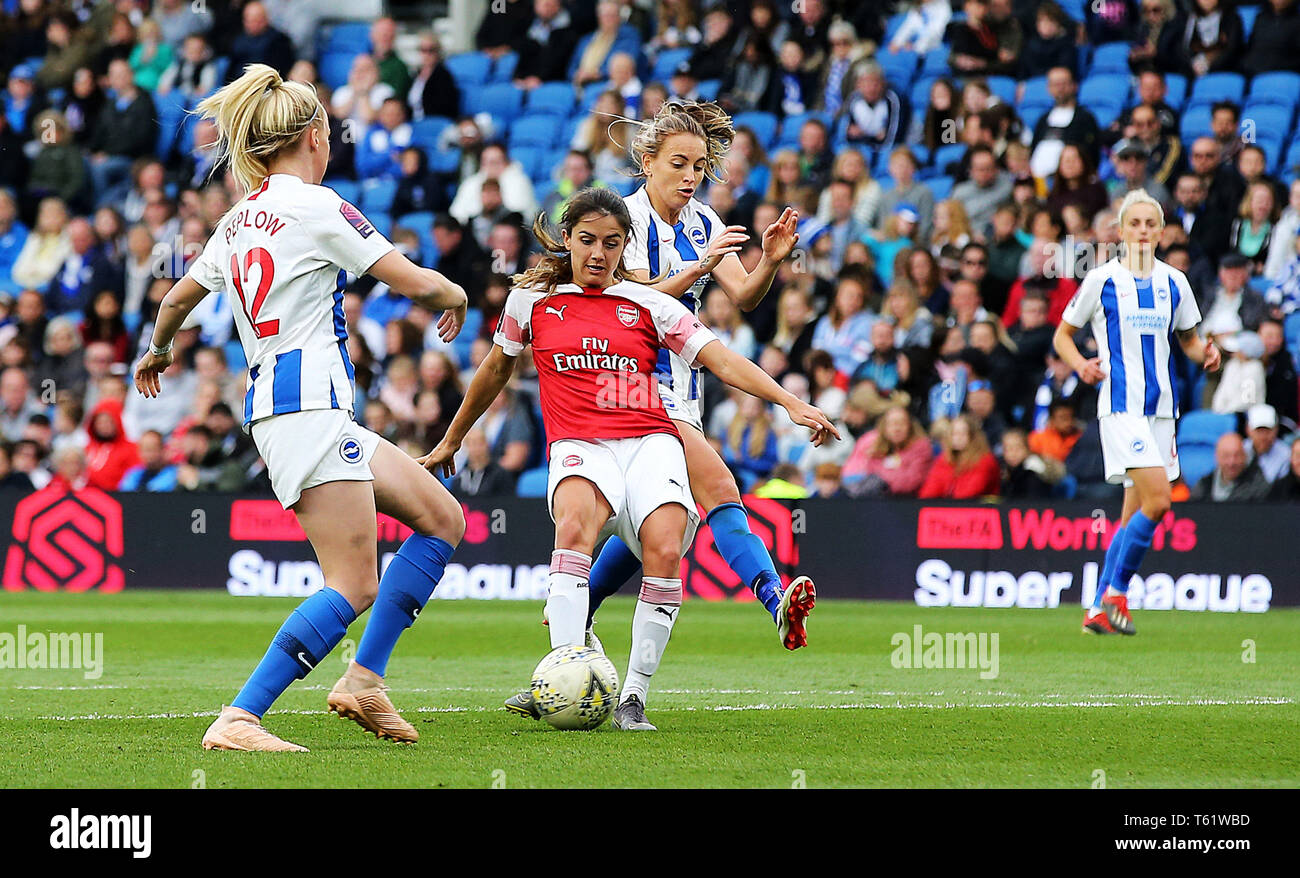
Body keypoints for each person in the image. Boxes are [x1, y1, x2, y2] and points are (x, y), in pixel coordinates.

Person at [133, 65, 470, 753]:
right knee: (353, 583)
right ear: (316, 134)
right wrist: (458, 295)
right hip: (306, 409)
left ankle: (365, 679)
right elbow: (413, 282)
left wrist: (158, 351)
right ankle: (239, 717)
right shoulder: (318, 207)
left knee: (443, 520)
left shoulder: (237, 218)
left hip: (297, 411)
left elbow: (173, 302)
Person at [423, 187, 837, 731]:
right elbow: (494, 372)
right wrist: (453, 438)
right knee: (574, 526)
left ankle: (633, 699)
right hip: (580, 443)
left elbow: (722, 359)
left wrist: (791, 403)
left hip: (650, 439)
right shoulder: (530, 303)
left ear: (625, 247)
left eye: (612, 243)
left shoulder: (651, 304)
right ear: (567, 238)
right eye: (588, 240)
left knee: (664, 548)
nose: (599, 253)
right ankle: (563, 673)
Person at [571, 101, 828, 654]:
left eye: (699, 166)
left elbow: (745, 296)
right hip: (630, 386)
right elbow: (634, 302)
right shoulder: (624, 222)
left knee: (670, 529)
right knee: (719, 489)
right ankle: (775, 598)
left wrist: (771, 262)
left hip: (683, 390)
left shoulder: (703, 222)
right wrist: (700, 266)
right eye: (679, 164)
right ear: (648, 160)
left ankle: (576, 614)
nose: (690, 177)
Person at [1054, 189, 1221, 637]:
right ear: (1121, 230)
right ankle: (1117, 593)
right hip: (1121, 407)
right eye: (1135, 223)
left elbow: (1187, 339)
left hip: (1163, 411)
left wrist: (1203, 352)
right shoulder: (1102, 280)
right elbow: (1062, 336)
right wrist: (1080, 365)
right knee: (1160, 501)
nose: (1143, 231)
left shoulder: (1175, 282)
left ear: (1162, 231)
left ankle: (1094, 608)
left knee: (1131, 516)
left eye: (1151, 224)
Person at [918, 413, 1001, 498]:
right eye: (954, 433)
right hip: (950, 508)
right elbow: (928, 493)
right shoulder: (945, 459)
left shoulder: (985, 460)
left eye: (963, 433)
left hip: (979, 509)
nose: (958, 437)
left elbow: (968, 493)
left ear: (973, 436)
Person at [1189, 432, 1270, 501]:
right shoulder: (1205, 484)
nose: (1231, 462)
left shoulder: (1258, 486)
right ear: (1217, 457)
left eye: (1237, 455)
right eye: (1226, 456)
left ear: (1245, 456)